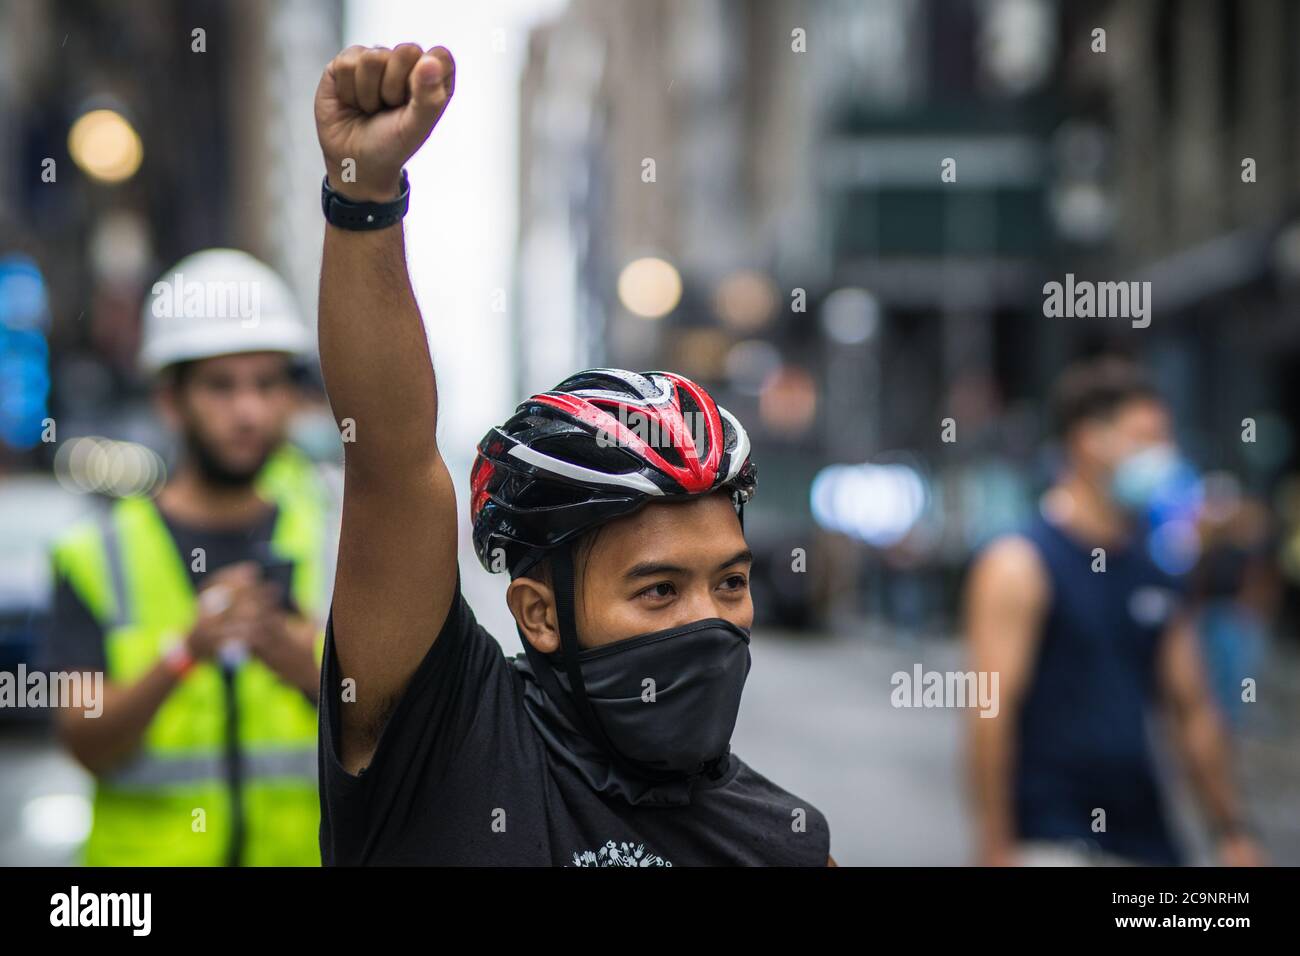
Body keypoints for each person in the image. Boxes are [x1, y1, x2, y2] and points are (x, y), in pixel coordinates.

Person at [313, 42, 832, 866]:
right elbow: (388, 462)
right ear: (539, 615)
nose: (710, 618)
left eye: (729, 582)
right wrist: (364, 195)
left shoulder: (787, 841)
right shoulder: (451, 745)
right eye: (659, 589)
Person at [50, 248, 330, 866]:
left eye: (266, 384)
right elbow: (84, 743)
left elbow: (401, 736)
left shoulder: (337, 541)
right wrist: (185, 653)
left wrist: (307, 671)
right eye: (220, 386)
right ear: (170, 400)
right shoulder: (96, 554)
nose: (248, 411)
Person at [963, 356, 1264, 866]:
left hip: (1146, 839)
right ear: (1089, 441)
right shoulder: (1020, 564)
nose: (1162, 456)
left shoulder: (1154, 566)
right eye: (1144, 438)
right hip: (1052, 837)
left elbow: (1192, 710)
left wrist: (1231, 832)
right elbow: (990, 711)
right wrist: (995, 846)